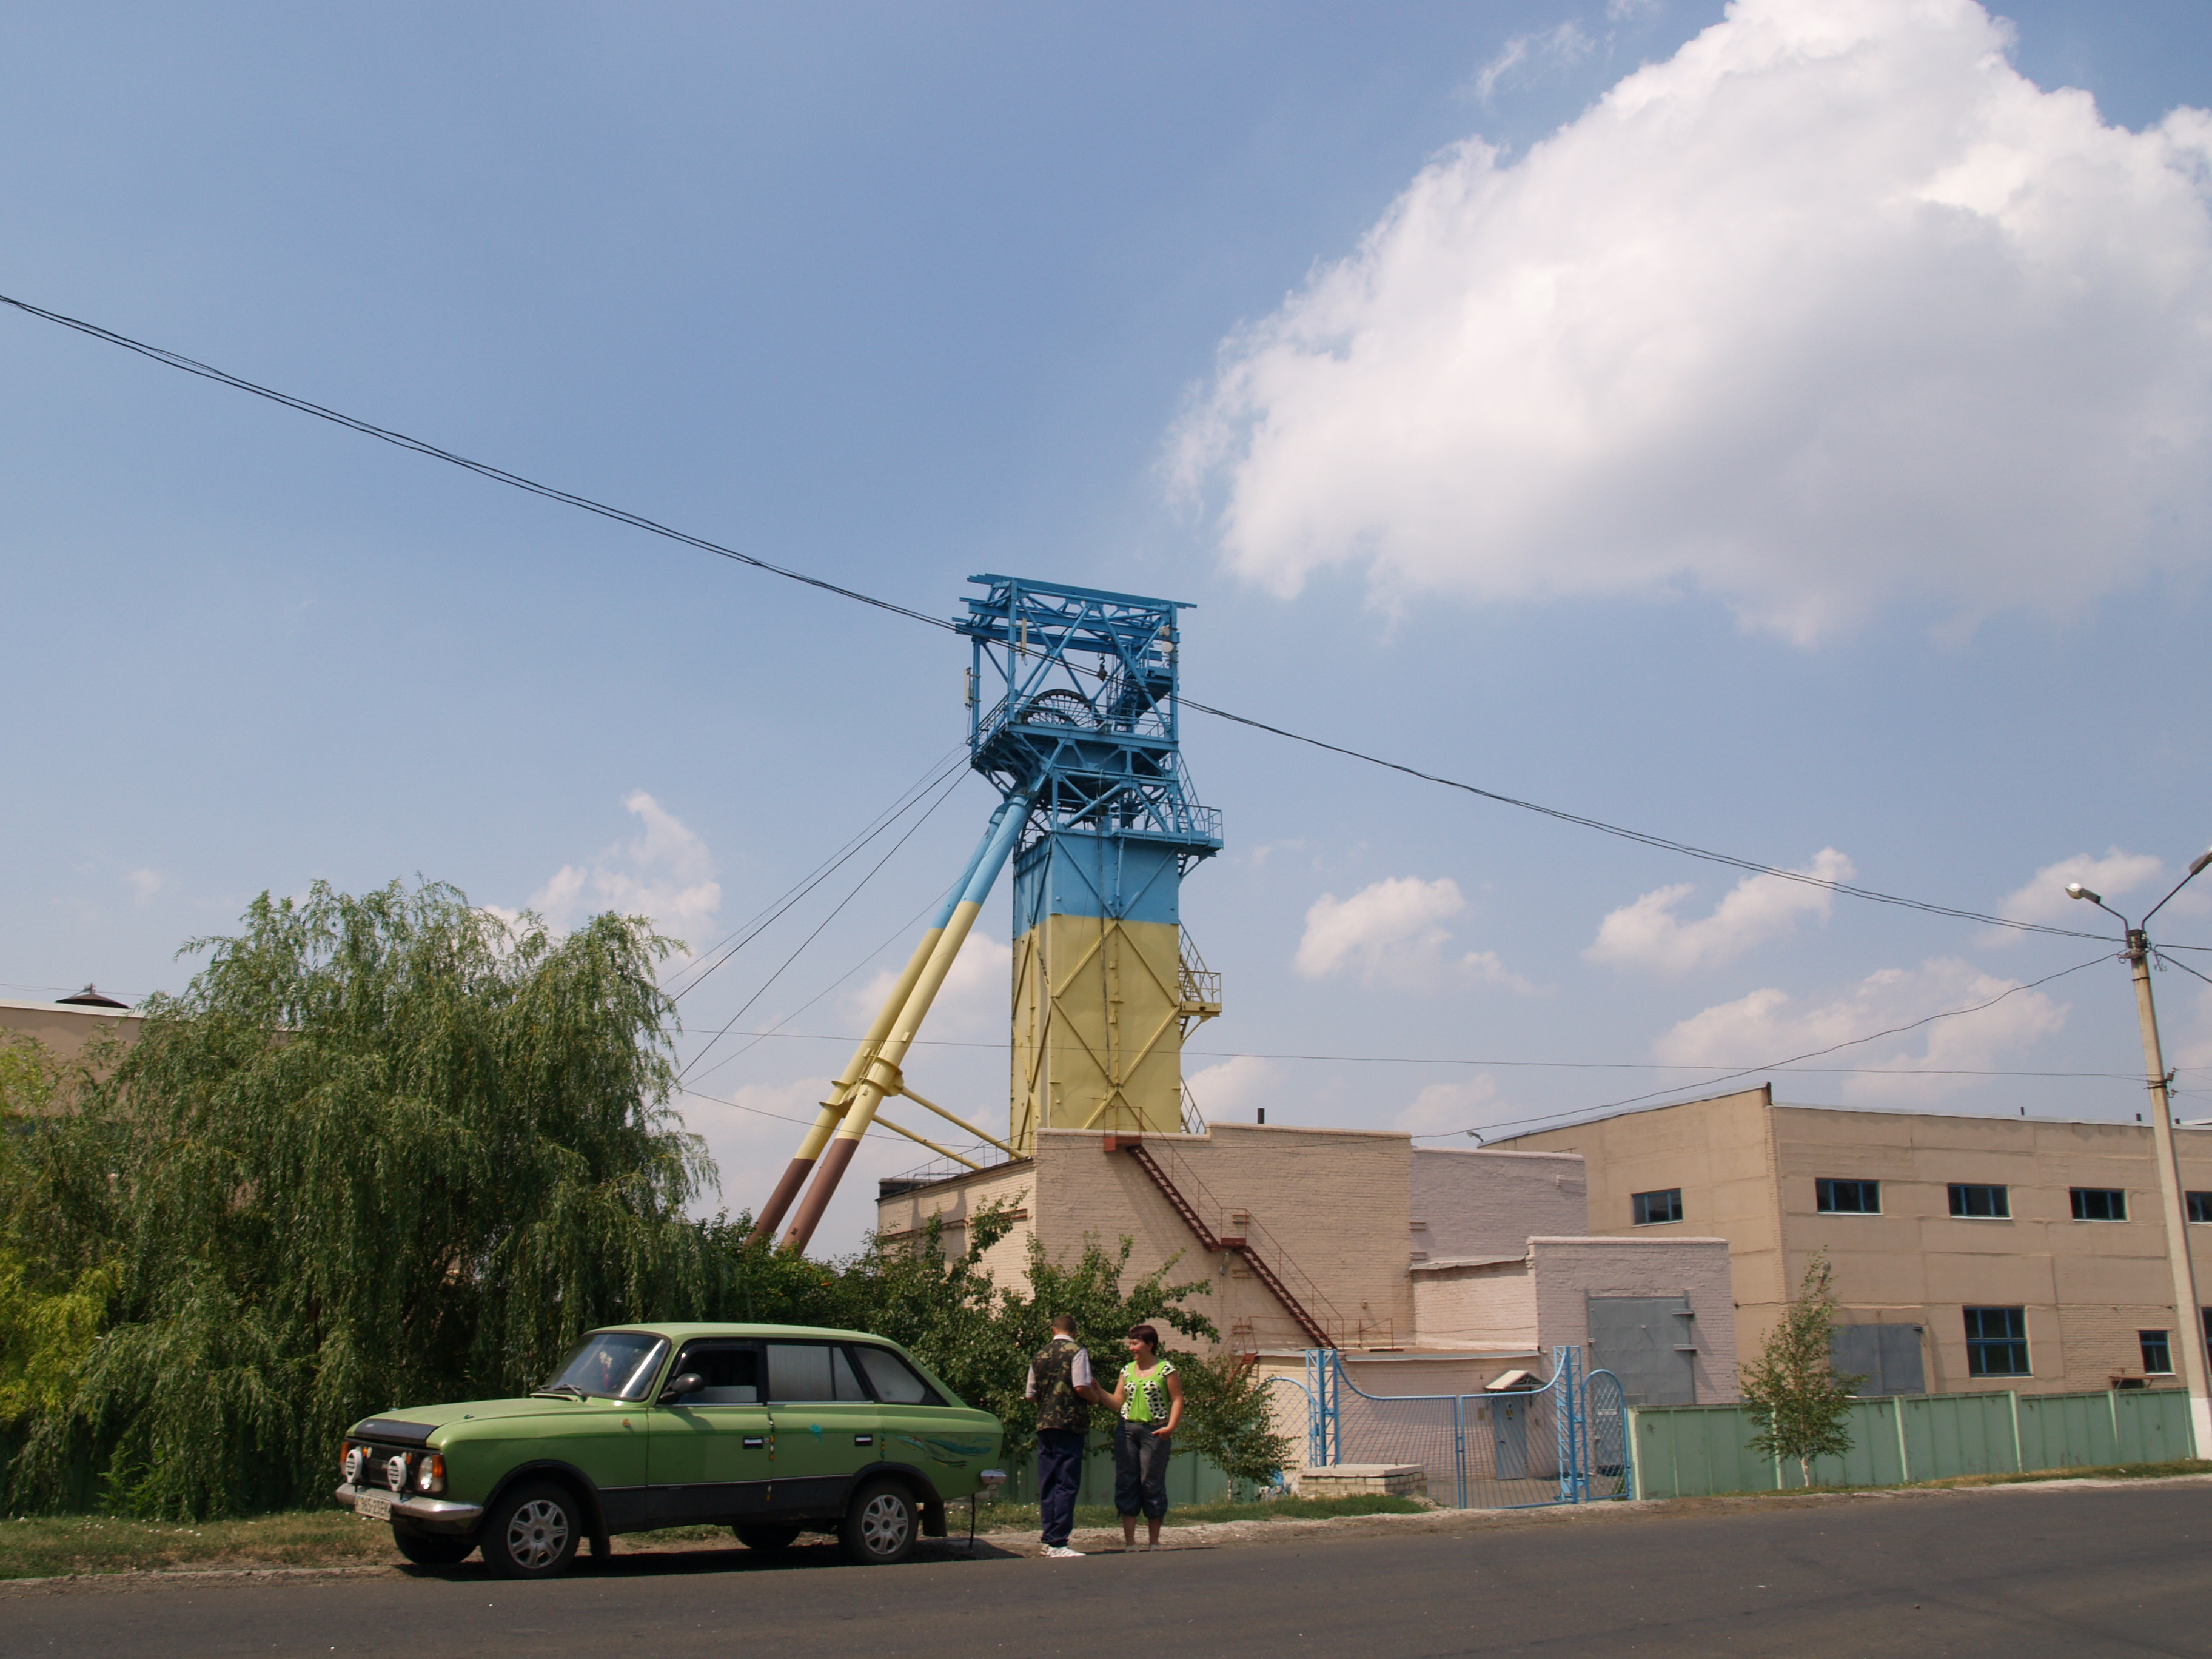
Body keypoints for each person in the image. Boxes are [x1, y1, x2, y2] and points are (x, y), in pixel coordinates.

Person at [1025, 1313, 1107, 1557]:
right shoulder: (1078, 1351)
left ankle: (1048, 1537)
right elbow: (1081, 1386)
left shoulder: (1039, 1354)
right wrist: (1094, 1400)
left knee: (1048, 1481)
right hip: (1070, 1423)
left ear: (1053, 1330)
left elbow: (1031, 1394)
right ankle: (1058, 1541)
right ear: (1075, 1332)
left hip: (1045, 1424)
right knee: (1066, 1482)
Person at [1103, 1322, 1183, 1552]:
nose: (1131, 1348)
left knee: (1151, 1481)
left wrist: (1170, 1427)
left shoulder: (1166, 1370)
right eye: (1130, 1344)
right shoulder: (1126, 1371)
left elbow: (1177, 1398)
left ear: (1150, 1345)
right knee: (1127, 1481)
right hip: (1127, 1429)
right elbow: (1118, 1402)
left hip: (1155, 1430)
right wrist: (1098, 1391)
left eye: (1135, 1344)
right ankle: (1130, 1542)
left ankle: (1154, 1541)